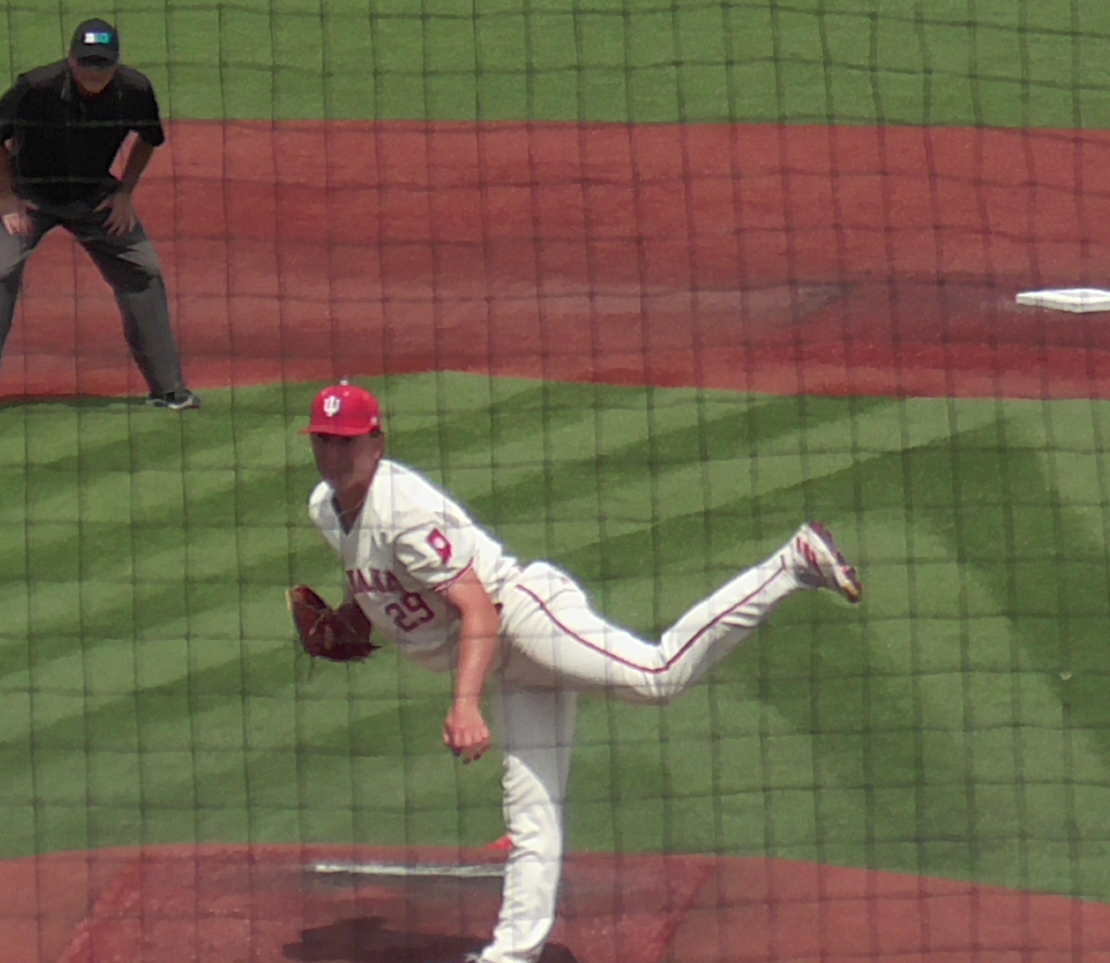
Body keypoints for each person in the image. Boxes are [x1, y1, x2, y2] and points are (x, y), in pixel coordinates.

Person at [299, 382, 863, 963]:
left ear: (377, 443)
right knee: (532, 810)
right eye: (324, 441)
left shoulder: (403, 510)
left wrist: (465, 705)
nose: (334, 455)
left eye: (347, 442)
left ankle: (791, 565)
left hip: (524, 618)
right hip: (510, 659)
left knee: (658, 676)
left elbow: (478, 607)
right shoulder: (325, 508)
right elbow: (380, 581)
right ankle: (512, 954)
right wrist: (348, 621)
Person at [0, 18, 196, 420]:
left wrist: (125, 192)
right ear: (72, 60)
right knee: (1, 271)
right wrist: (7, 198)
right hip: (30, 195)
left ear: (115, 63)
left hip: (94, 195)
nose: (94, 73)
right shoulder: (36, 87)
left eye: (102, 65)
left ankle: (169, 389)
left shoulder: (134, 90)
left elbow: (149, 138)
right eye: (87, 63)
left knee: (144, 269)